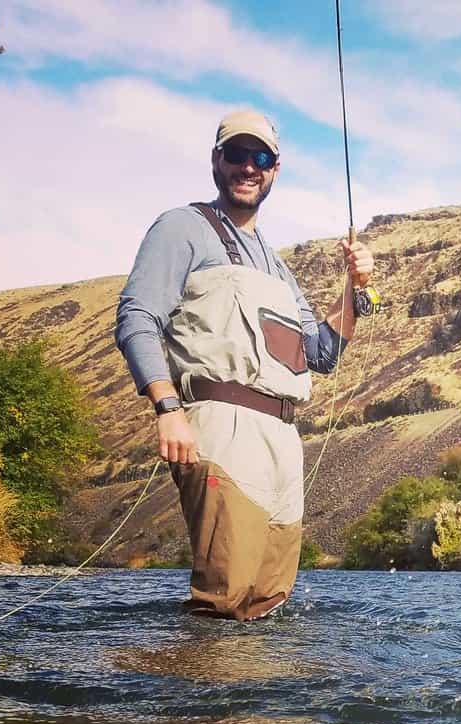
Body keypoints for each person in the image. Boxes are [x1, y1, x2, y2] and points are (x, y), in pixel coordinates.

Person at [115, 109, 374, 620]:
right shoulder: (182, 227)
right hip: (220, 429)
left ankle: (254, 701)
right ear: (217, 160)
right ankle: (197, 697)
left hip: (282, 441)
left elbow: (320, 352)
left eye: (261, 157)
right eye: (237, 154)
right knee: (225, 596)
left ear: (275, 169)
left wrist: (354, 289)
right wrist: (167, 407)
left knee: (267, 603)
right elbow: (135, 317)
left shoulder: (278, 266)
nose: (248, 167)